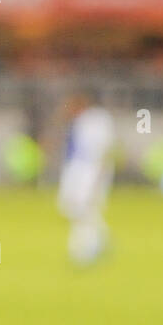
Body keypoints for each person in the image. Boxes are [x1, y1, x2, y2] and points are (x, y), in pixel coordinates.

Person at [57, 92, 115, 264]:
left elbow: (102, 147)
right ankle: (101, 240)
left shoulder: (96, 120)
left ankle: (85, 248)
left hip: (90, 168)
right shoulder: (83, 121)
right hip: (78, 168)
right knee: (75, 207)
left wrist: (99, 172)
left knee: (83, 208)